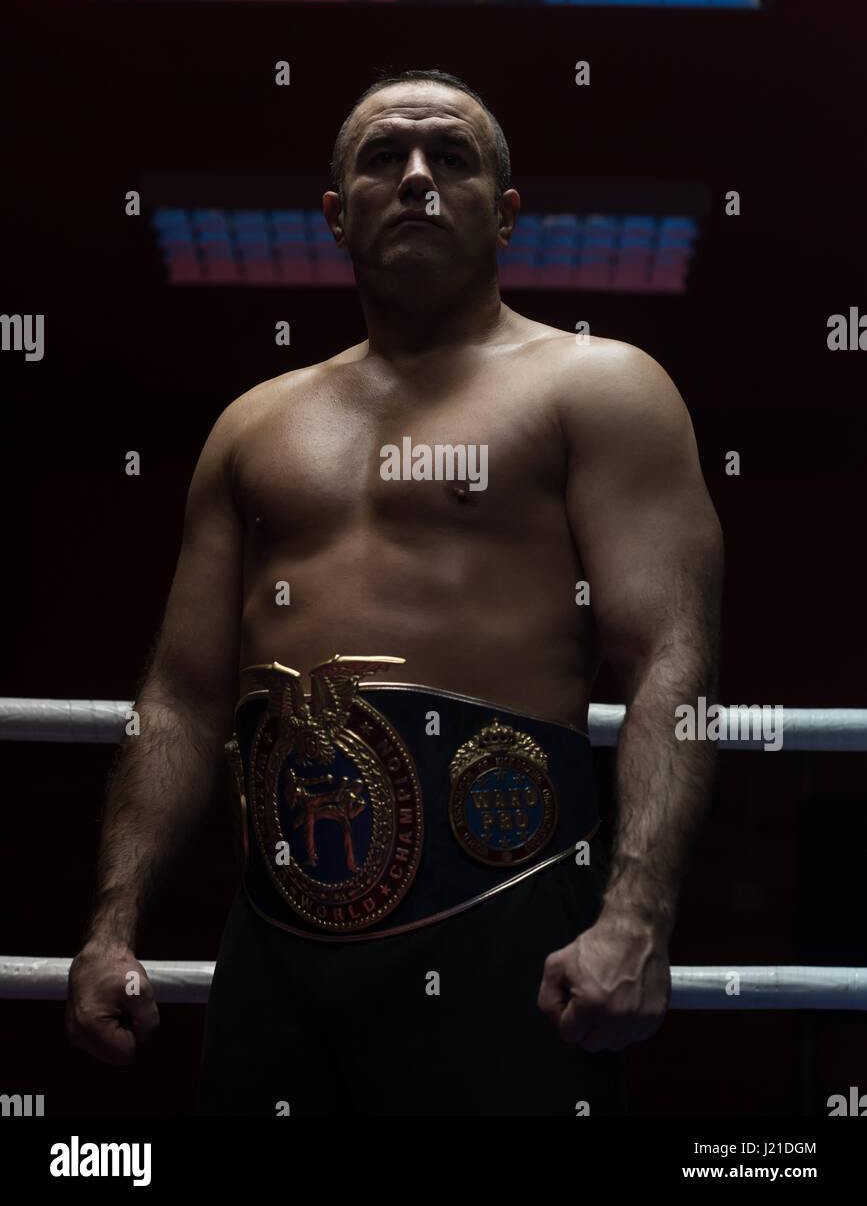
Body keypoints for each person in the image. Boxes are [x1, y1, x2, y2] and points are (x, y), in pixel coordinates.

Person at [66, 68, 723, 1116]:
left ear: (506, 214)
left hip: (512, 922)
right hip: (280, 946)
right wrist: (111, 927)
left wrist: (637, 913)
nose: (417, 177)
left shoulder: (600, 387)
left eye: (451, 158)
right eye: (384, 158)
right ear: (336, 214)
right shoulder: (253, 426)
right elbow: (185, 695)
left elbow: (672, 664)